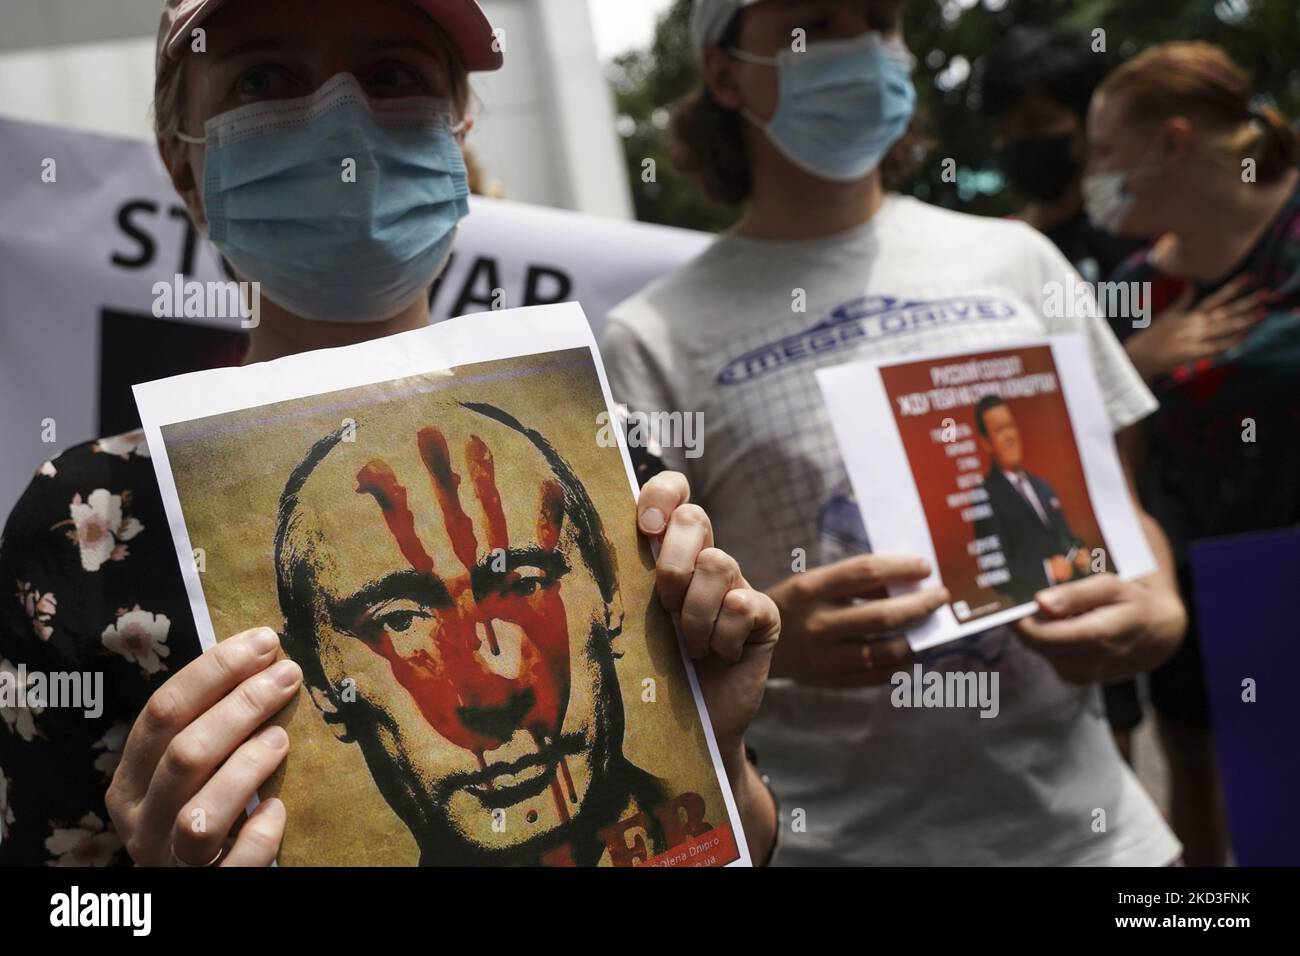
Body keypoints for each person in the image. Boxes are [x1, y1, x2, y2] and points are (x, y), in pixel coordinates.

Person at [0, 0, 780, 867]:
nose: (341, 121)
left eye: (392, 75)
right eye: (264, 79)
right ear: (184, 166)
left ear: (457, 136)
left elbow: (746, 829)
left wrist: (718, 755)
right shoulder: (82, 527)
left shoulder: (611, 454)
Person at [602, 0, 1186, 866]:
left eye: (879, 21)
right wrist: (770, 643)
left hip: (1098, 842)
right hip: (838, 844)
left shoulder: (1017, 261)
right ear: (724, 74)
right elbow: (642, 634)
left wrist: (1160, 605)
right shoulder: (651, 336)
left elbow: (1119, 505)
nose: (859, 48)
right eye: (818, 23)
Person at [1083, 41, 1300, 866]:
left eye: (1105, 150)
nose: (1093, 173)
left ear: (1170, 143)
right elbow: (1108, 448)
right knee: (1207, 796)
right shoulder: (1130, 286)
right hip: (1197, 586)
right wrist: (1134, 364)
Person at [978, 26, 1147, 283]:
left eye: (1037, 123)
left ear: (1089, 124)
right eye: (1003, 131)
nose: (1017, 142)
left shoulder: (1144, 233)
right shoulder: (993, 255)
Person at [971, 395, 1093, 606]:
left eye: (1010, 426)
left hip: (1081, 592)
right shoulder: (985, 495)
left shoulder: (1042, 485)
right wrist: (1046, 570)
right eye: (999, 430)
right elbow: (995, 573)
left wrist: (1089, 560)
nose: (1009, 436)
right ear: (986, 443)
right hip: (1041, 606)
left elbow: (1070, 540)